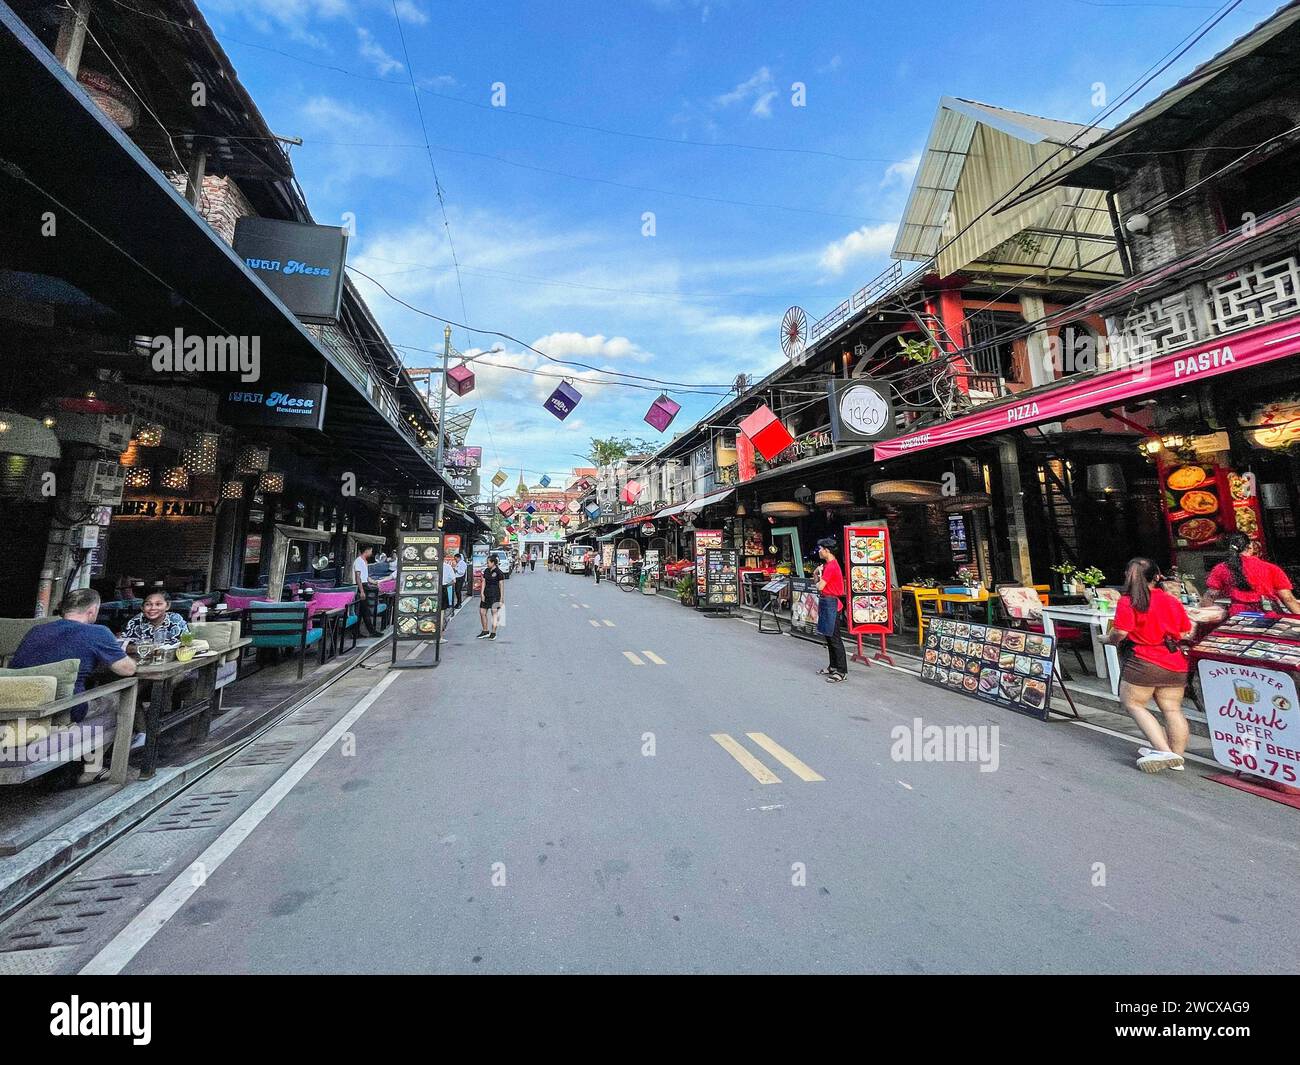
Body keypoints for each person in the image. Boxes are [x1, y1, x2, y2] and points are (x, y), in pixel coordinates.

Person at [9, 588, 139, 784]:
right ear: (93, 610)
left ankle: (76, 764)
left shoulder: (37, 630)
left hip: (20, 703)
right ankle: (91, 770)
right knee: (120, 701)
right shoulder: (97, 632)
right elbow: (127, 670)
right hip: (66, 709)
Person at [1109, 557, 1192, 774]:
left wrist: (1107, 639)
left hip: (1143, 661)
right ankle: (1178, 758)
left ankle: (1164, 751)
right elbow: (1184, 631)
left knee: (1133, 703)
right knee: (1173, 709)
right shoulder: (1172, 601)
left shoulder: (1128, 601)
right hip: (1175, 661)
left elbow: (1120, 633)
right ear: (1157, 577)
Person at [1202, 532, 1300, 616]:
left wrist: (1204, 614)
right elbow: (1288, 599)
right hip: (1268, 615)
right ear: (1250, 547)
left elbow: (1211, 595)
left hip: (1238, 617)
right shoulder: (1271, 568)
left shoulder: (1221, 568)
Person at [814, 538, 848, 683]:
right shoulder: (827, 565)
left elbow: (820, 586)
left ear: (827, 550)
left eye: (820, 549)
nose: (819, 551)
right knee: (828, 637)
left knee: (835, 639)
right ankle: (833, 666)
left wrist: (818, 578)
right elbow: (817, 581)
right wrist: (817, 574)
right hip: (827, 602)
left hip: (833, 603)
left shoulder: (832, 566)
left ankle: (842, 671)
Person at [121, 591, 189, 648]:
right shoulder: (135, 622)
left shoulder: (175, 620)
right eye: (148, 604)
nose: (153, 608)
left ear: (167, 606)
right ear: (142, 607)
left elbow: (186, 644)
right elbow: (123, 647)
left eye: (158, 604)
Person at [477, 555, 504, 640]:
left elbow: (501, 585)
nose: (487, 564)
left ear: (493, 563)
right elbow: (484, 581)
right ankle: (485, 631)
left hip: (495, 595)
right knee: (482, 612)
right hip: (486, 594)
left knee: (494, 614)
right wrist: (482, 593)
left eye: (488, 562)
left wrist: (501, 597)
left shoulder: (499, 572)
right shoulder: (486, 571)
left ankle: (493, 632)